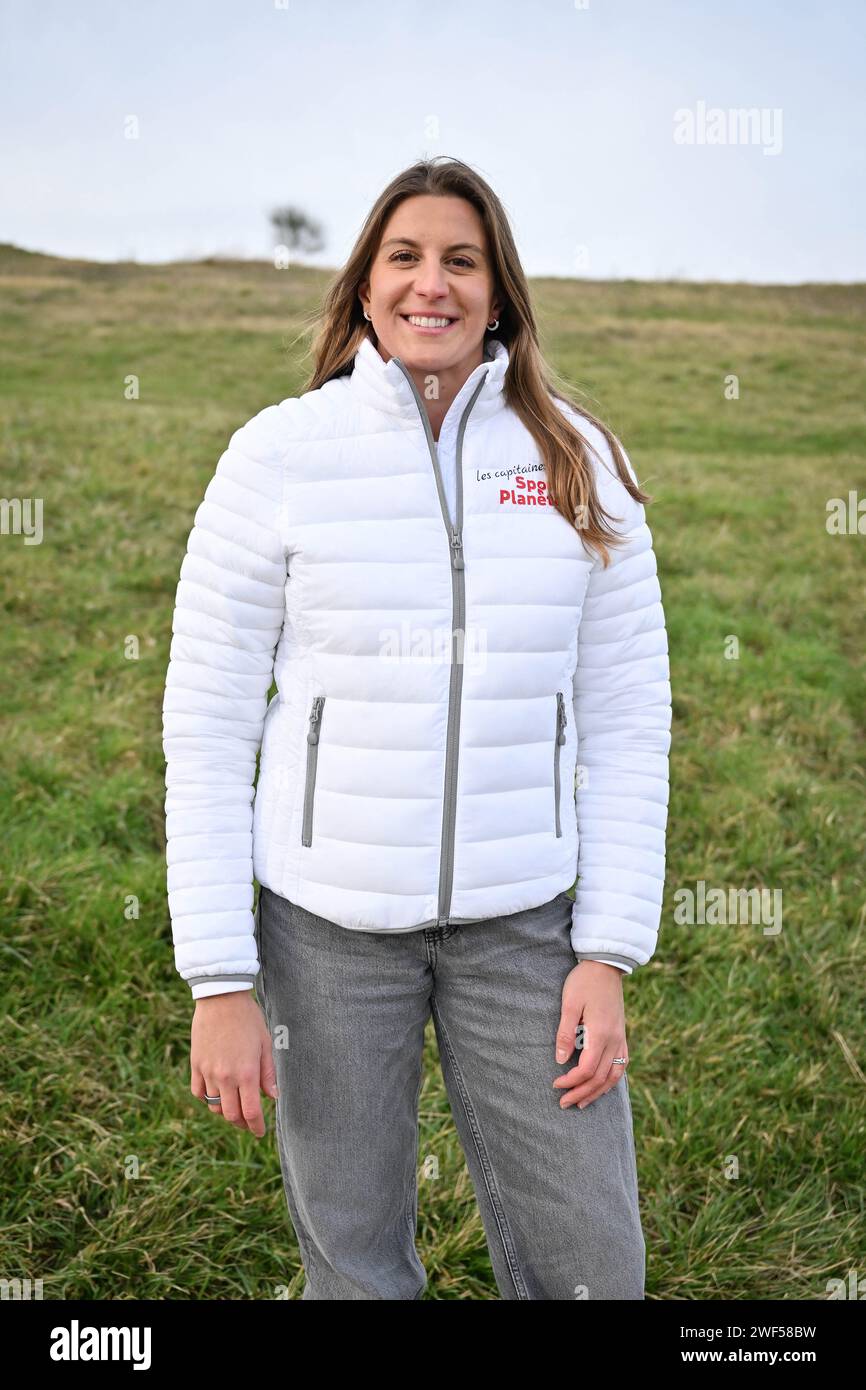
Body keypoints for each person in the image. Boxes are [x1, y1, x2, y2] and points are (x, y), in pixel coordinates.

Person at [162, 156, 672, 1300]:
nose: (429, 283)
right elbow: (205, 722)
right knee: (353, 1268)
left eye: (460, 260)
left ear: (498, 293)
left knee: (593, 1270)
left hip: (524, 926)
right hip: (325, 932)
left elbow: (629, 718)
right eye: (404, 257)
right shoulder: (277, 456)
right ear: (364, 284)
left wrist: (604, 951)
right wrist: (218, 976)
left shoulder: (578, 462)